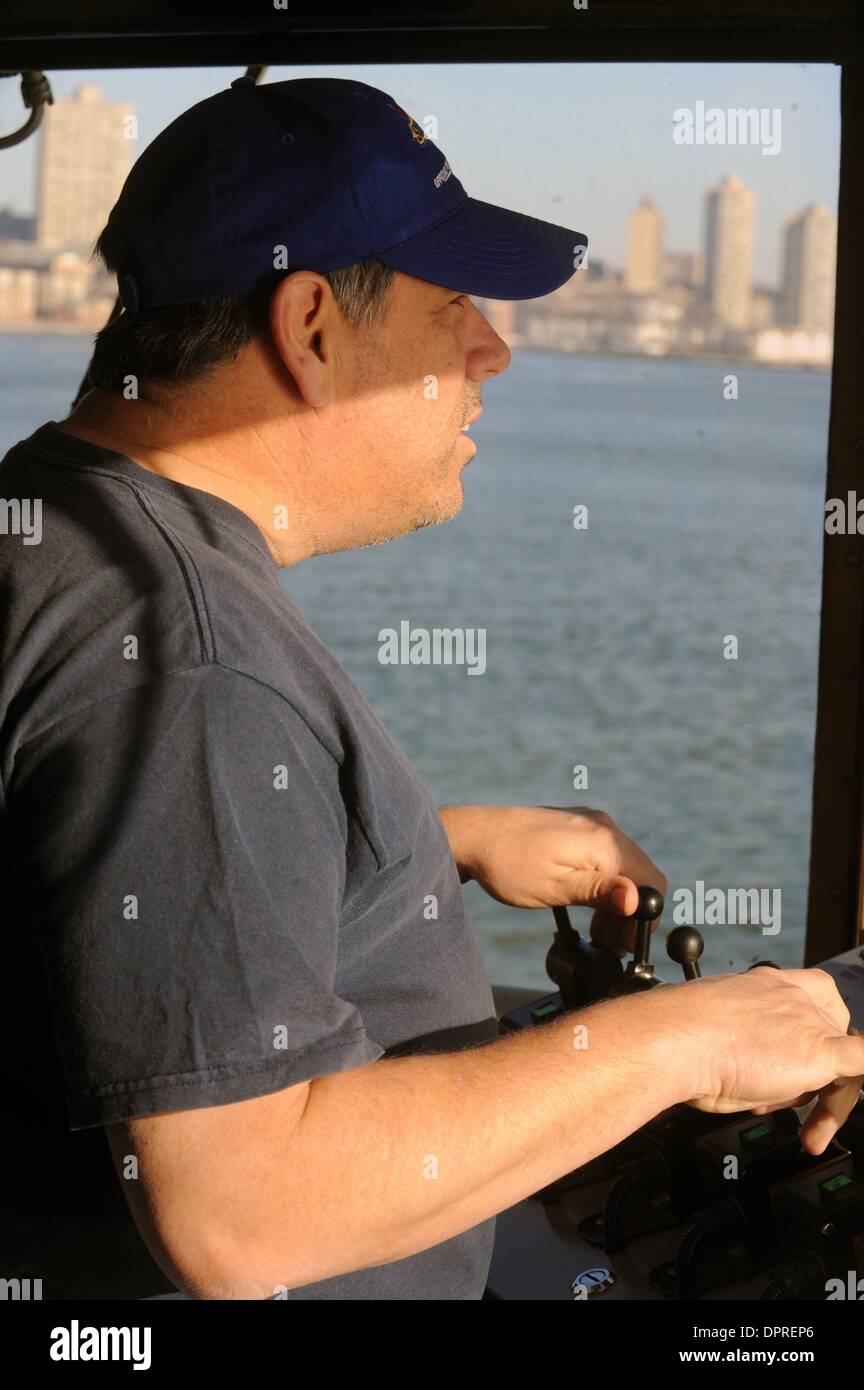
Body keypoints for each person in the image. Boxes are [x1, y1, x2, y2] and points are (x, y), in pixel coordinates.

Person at [0, 76, 861, 1303]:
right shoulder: (187, 649)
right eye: (453, 301)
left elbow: (96, 884)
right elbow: (238, 1214)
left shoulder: (66, 526)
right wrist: (694, 1036)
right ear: (309, 329)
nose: (493, 351)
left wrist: (422, 847)